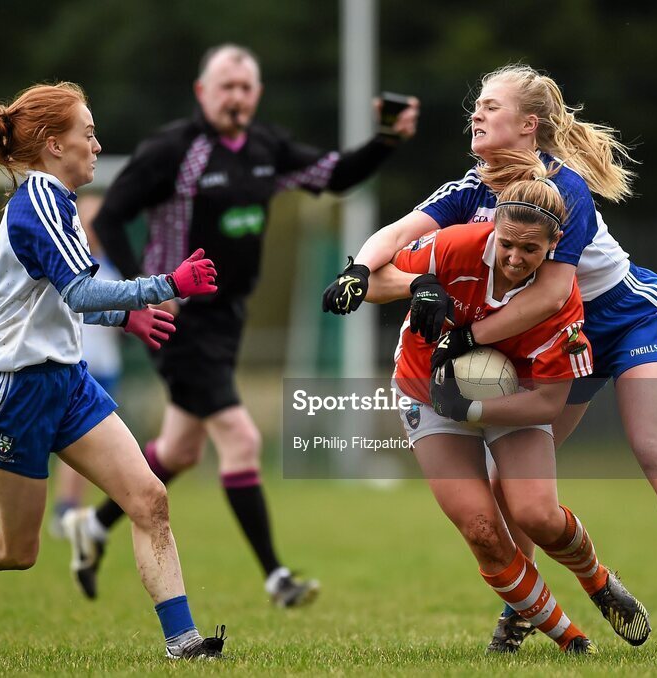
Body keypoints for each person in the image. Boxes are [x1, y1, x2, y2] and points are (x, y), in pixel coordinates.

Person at [323, 64, 657, 649]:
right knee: (519, 491)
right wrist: (360, 269)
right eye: (477, 105)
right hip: (551, 339)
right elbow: (397, 232)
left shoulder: (564, 189)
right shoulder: (473, 188)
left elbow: (550, 293)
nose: (476, 113)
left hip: (623, 317)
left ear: (528, 125)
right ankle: (523, 610)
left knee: (651, 445)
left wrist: (470, 339)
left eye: (490, 106)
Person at [0, 82, 226, 659]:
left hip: (67, 381)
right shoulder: (38, 200)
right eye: (87, 134)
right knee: (17, 549)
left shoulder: (54, 202)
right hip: (16, 391)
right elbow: (79, 293)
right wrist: (168, 286)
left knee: (148, 498)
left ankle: (184, 644)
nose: (96, 144)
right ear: (53, 145)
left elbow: (63, 297)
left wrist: (124, 318)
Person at [64, 43, 420, 607]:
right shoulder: (171, 150)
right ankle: (276, 577)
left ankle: (95, 525)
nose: (236, 96)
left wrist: (388, 138)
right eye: (225, 86)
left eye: (245, 87)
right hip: (177, 319)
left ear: (256, 95)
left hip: (227, 318)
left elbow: (336, 175)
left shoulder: (266, 148)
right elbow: (108, 217)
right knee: (241, 436)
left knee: (180, 451)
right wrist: (143, 294)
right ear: (202, 92)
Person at [367, 151, 651, 655]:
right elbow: (375, 278)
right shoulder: (455, 246)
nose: (515, 258)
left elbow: (547, 402)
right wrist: (420, 286)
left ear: (555, 245)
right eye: (507, 244)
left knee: (536, 514)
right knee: (481, 529)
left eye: (530, 249)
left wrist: (472, 409)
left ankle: (597, 580)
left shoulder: (561, 306)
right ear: (492, 228)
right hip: (424, 386)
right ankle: (572, 640)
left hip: (513, 395)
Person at [49, 194, 124, 538]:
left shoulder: (113, 264)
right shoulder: (74, 263)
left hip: (108, 364)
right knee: (78, 443)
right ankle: (66, 510)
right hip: (80, 364)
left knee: (101, 446)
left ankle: (79, 513)